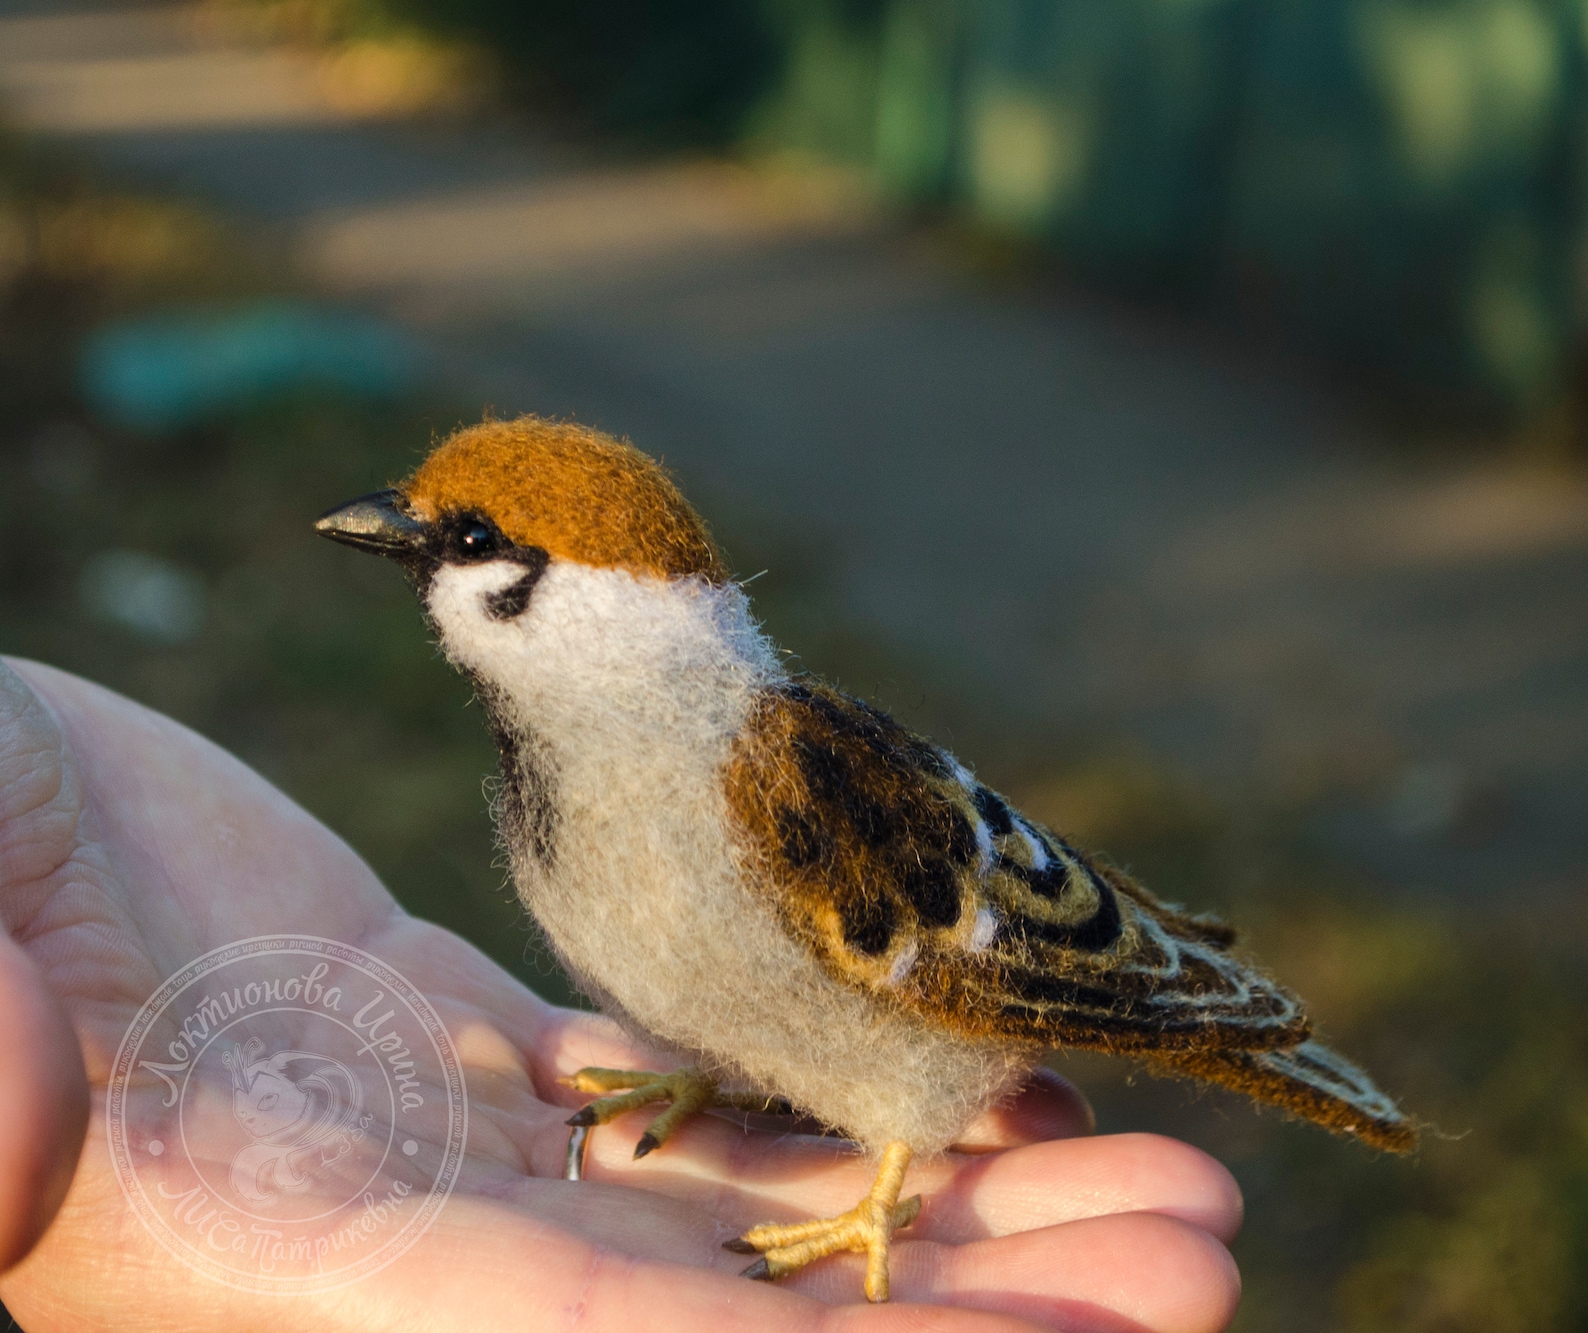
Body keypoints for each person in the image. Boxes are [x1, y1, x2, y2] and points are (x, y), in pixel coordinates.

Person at [0, 657, 1242, 1331]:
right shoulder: (559, 783)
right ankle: (730, 1074)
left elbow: (971, 923)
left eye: (478, 548)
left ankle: (872, 1199)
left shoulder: (761, 781)